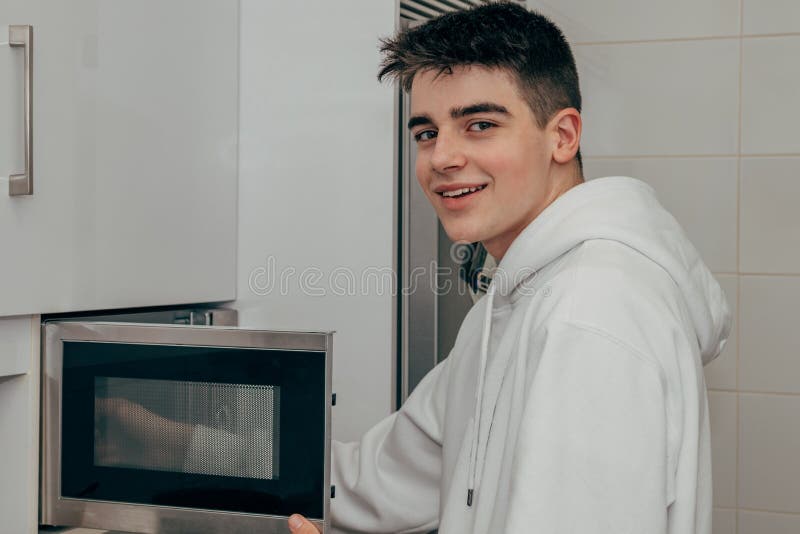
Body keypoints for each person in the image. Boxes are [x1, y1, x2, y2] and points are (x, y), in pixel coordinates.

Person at [290, 2, 731, 533]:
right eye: (426, 132)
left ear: (563, 137)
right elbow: (373, 479)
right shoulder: (510, 302)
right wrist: (180, 440)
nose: (441, 158)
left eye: (479, 124)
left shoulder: (589, 312)